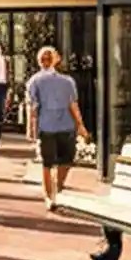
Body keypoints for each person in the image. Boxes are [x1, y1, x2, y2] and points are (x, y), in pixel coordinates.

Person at [25, 46, 89, 211]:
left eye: (48, 58)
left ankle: (55, 189)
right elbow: (33, 107)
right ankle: (50, 195)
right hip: (51, 126)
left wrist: (80, 125)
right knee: (52, 162)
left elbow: (73, 105)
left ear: (55, 59)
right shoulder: (36, 81)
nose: (46, 61)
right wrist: (31, 129)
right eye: (43, 58)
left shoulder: (66, 82)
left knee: (62, 160)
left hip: (61, 126)